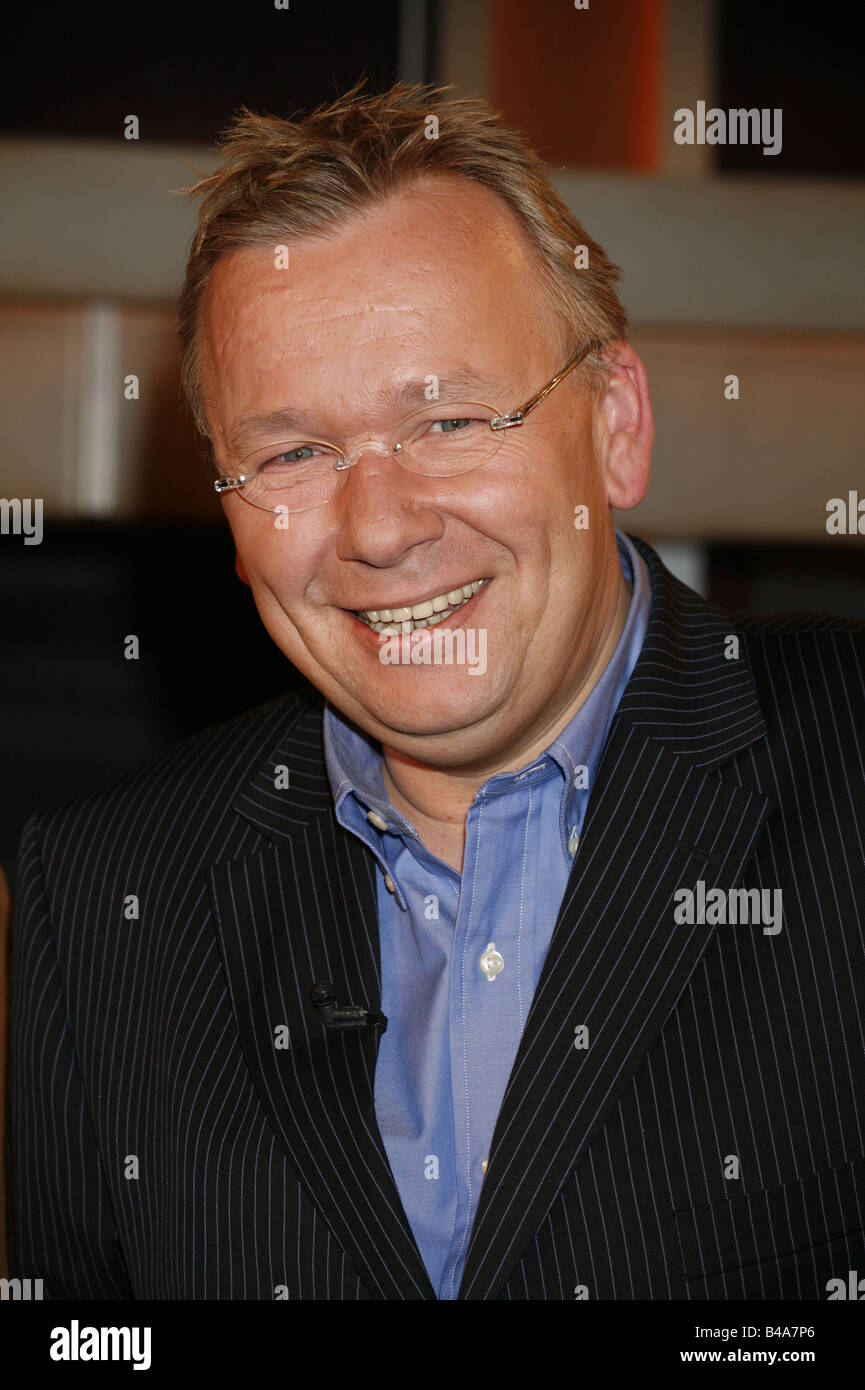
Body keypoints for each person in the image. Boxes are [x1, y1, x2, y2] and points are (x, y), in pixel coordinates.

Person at [6, 82, 865, 1301]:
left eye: (450, 421)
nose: (379, 527)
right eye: (292, 453)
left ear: (616, 426)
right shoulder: (101, 896)